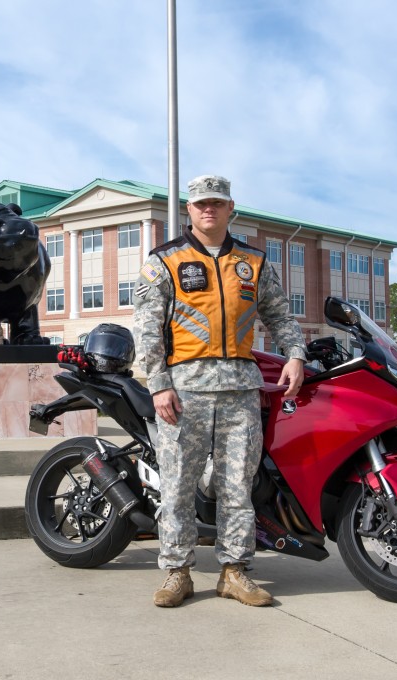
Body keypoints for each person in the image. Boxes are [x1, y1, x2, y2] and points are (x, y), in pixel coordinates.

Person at [132, 175, 307, 608]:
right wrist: (158, 386)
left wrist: (296, 354)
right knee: (177, 485)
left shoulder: (253, 262)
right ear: (189, 211)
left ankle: (234, 572)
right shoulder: (164, 261)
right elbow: (148, 329)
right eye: (200, 203)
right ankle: (177, 572)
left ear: (231, 208)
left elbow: (280, 315)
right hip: (183, 391)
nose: (208, 209)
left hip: (239, 392)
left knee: (236, 486)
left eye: (217, 202)